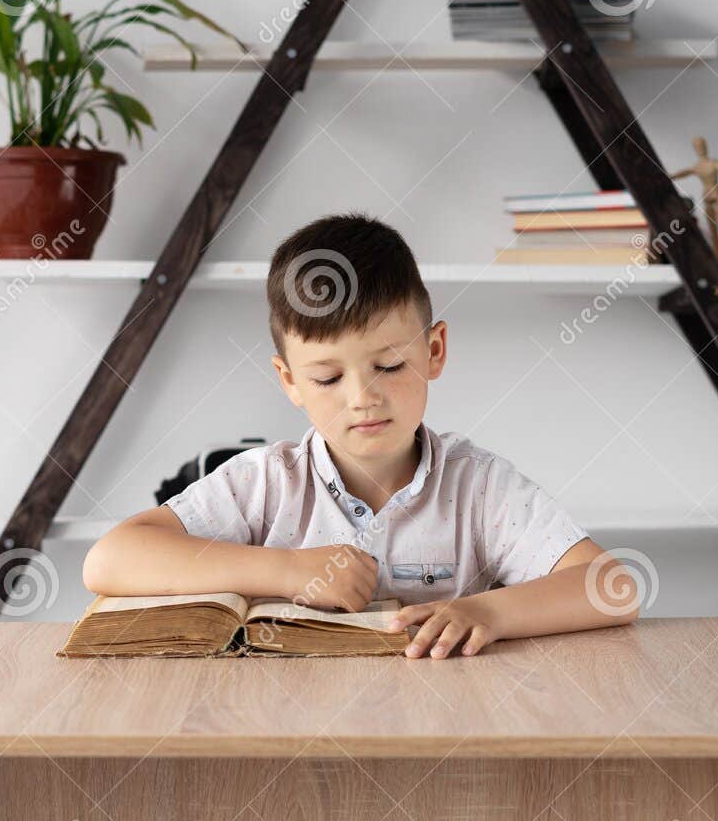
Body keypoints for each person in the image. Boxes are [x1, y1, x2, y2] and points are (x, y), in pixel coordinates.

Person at [81, 213, 639, 658]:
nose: (362, 398)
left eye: (391, 366)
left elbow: (613, 586)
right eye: (326, 377)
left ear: (434, 351)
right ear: (290, 381)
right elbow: (108, 560)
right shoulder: (266, 483)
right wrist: (286, 570)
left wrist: (489, 613)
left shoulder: (480, 488)